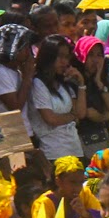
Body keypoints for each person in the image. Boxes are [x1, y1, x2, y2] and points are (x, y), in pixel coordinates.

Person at [28, 34, 87, 162]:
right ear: (48, 57)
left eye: (66, 57)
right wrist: (72, 116)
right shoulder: (38, 84)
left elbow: (81, 113)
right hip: (53, 152)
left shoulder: (64, 84)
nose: (64, 62)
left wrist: (81, 84)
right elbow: (51, 119)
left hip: (74, 148)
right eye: (60, 56)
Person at [32, 154, 100, 218]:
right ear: (58, 181)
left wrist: (85, 214)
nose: (77, 188)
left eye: (80, 182)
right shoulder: (43, 204)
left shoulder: (84, 193)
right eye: (72, 182)